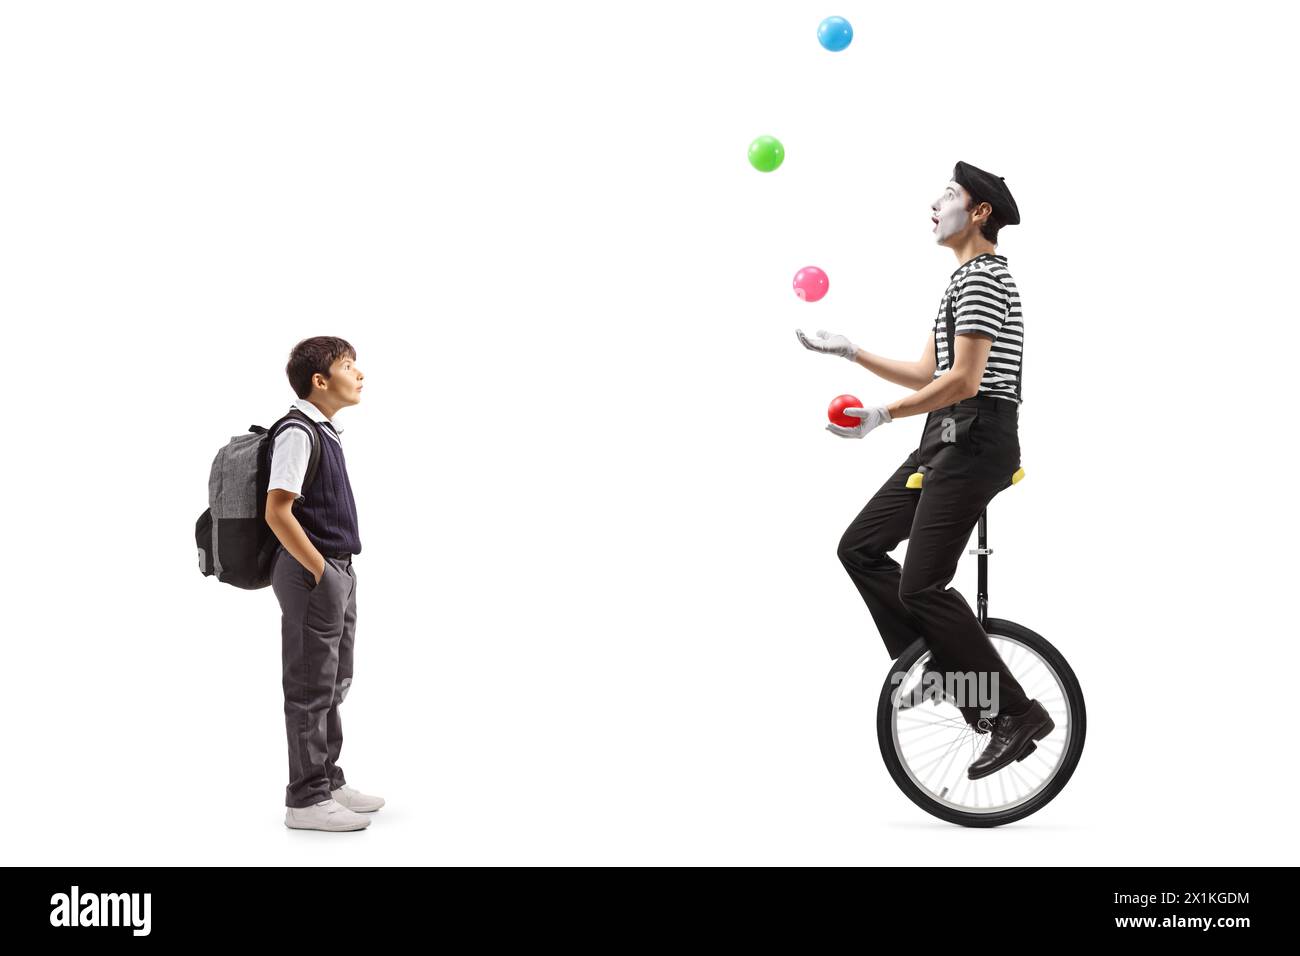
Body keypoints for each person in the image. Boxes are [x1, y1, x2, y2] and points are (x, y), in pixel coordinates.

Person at [795, 161, 1052, 781]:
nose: (933, 206)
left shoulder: (986, 279)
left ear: (980, 211)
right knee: (859, 547)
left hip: (977, 441)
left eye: (947, 196)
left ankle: (1015, 713)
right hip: (946, 437)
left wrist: (881, 416)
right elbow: (928, 373)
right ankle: (937, 666)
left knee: (922, 586)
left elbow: (963, 382)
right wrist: (851, 350)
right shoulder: (962, 281)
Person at [266, 336, 385, 830]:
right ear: (320, 380)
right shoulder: (298, 431)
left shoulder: (326, 431)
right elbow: (278, 510)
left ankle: (328, 780)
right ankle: (307, 799)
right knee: (310, 686)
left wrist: (335, 572)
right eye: (349, 366)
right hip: (312, 571)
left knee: (333, 681)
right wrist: (319, 570)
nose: (360, 375)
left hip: (336, 569)